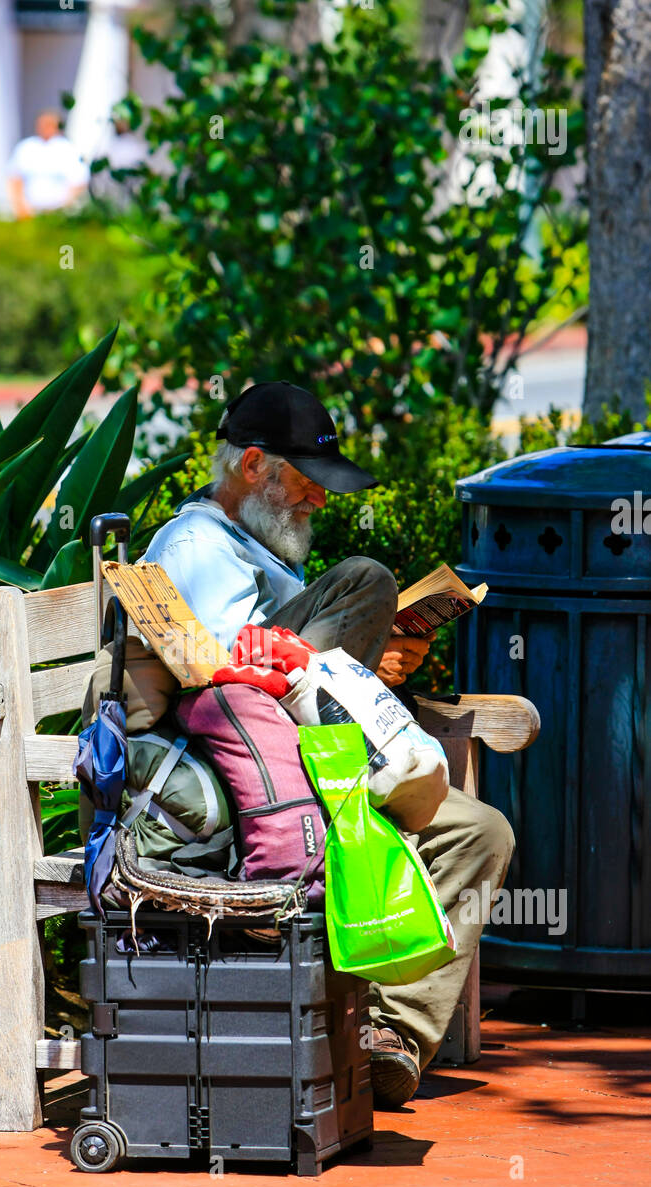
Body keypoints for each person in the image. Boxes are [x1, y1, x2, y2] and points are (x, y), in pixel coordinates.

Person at [144, 380, 515, 1110]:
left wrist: (371, 669)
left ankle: (388, 1038)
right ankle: (356, 1031)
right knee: (367, 580)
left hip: (318, 764)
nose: (321, 501)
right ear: (253, 465)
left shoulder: (252, 546)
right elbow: (219, 684)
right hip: (255, 781)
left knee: (481, 834)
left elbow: (282, 666)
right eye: (311, 484)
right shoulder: (195, 545)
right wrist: (351, 664)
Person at [7, 110, 89, 219]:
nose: (45, 128)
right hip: (29, 213)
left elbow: (78, 182)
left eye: (50, 125)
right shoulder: (26, 147)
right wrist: (21, 207)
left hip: (60, 214)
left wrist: (64, 208)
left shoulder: (68, 149)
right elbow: (14, 178)